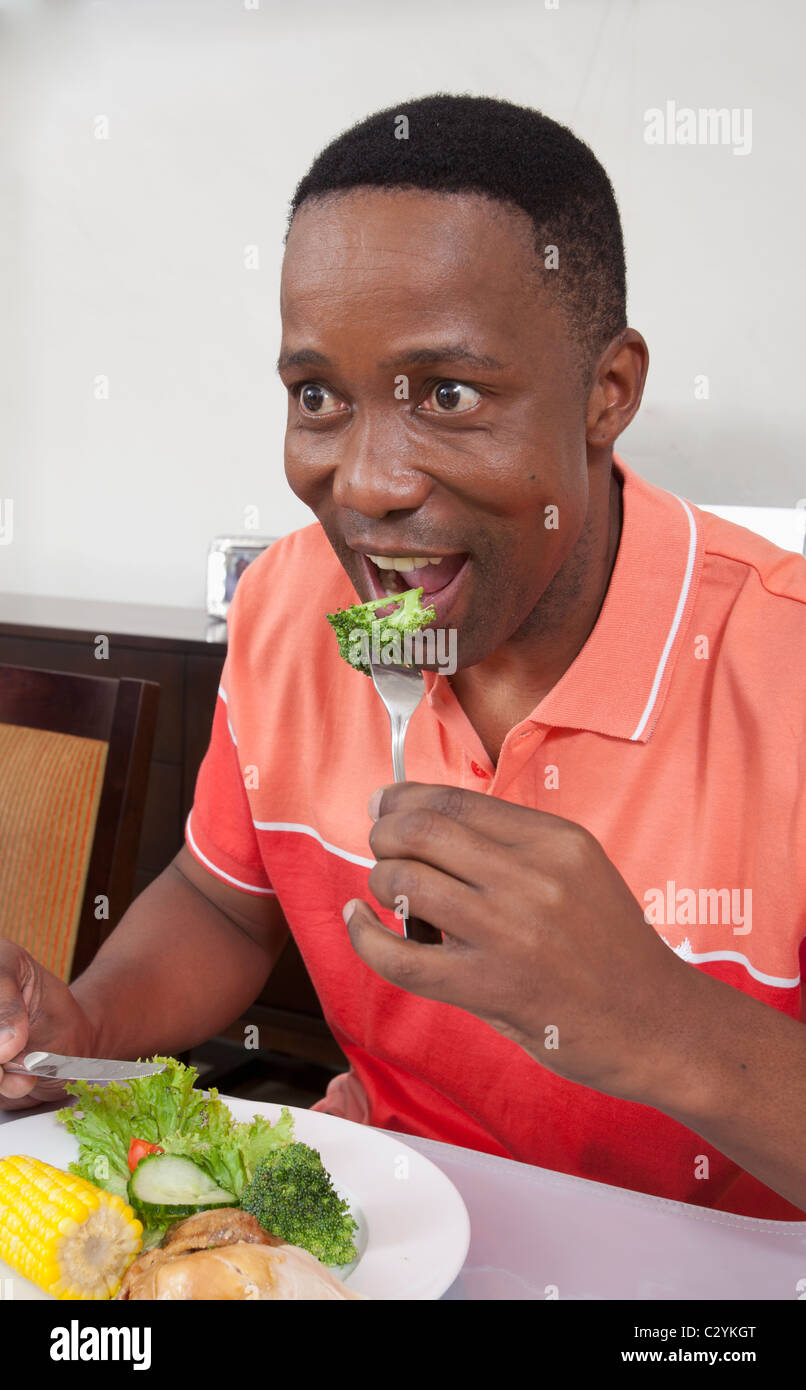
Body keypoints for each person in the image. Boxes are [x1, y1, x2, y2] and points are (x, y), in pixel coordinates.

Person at [2, 94, 805, 1222]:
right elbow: (226, 902)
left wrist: (657, 1022)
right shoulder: (292, 600)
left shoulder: (784, 666)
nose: (369, 484)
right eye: (319, 396)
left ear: (604, 392)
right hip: (385, 1230)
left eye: (447, 394)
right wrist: (88, 1023)